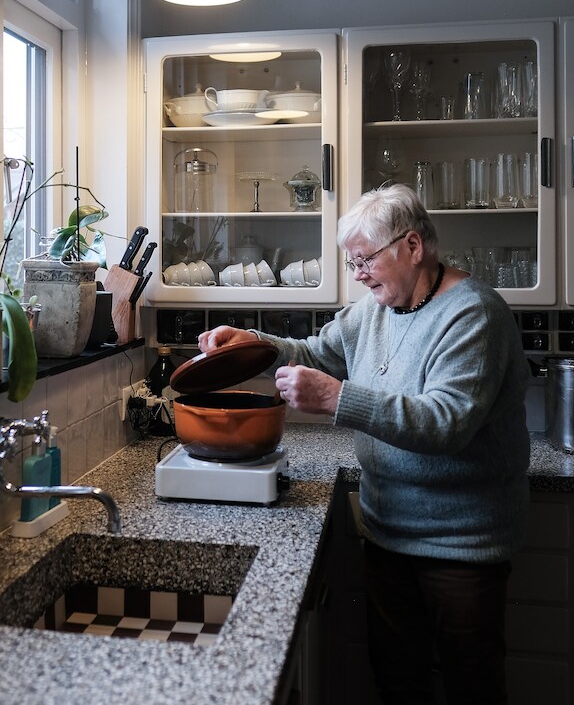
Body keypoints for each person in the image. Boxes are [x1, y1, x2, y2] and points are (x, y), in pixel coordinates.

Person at [198, 184, 529, 705]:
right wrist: (253, 344)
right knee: (397, 682)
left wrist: (336, 398)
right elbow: (314, 351)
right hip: (385, 531)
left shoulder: (473, 314)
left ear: (413, 246)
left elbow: (446, 423)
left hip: (460, 547)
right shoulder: (374, 309)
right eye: (352, 262)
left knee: (472, 689)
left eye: (364, 259)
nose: (356, 274)